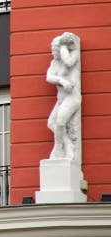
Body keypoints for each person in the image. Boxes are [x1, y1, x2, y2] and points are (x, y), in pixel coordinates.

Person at [45, 32, 81, 160]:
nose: (53, 52)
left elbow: (69, 63)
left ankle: (59, 148)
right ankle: (68, 144)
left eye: (55, 49)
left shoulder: (73, 56)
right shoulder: (54, 63)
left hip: (72, 97)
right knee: (51, 123)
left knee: (60, 123)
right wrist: (62, 81)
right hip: (61, 99)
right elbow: (49, 77)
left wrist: (63, 46)